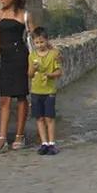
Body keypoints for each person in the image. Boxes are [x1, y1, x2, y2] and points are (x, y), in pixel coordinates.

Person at [0, 0, 32, 153]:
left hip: (20, 57)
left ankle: (19, 134)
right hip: (6, 58)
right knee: (5, 98)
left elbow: (36, 35)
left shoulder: (24, 15)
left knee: (21, 97)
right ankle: (2, 137)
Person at [28, 26, 63, 155]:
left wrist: (50, 75)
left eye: (42, 42)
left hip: (49, 91)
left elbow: (59, 72)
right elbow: (30, 74)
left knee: (50, 117)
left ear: (47, 41)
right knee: (39, 118)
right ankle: (44, 143)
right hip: (36, 91)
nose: (40, 45)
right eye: (37, 42)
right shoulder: (32, 56)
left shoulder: (53, 55)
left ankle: (52, 143)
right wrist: (34, 68)